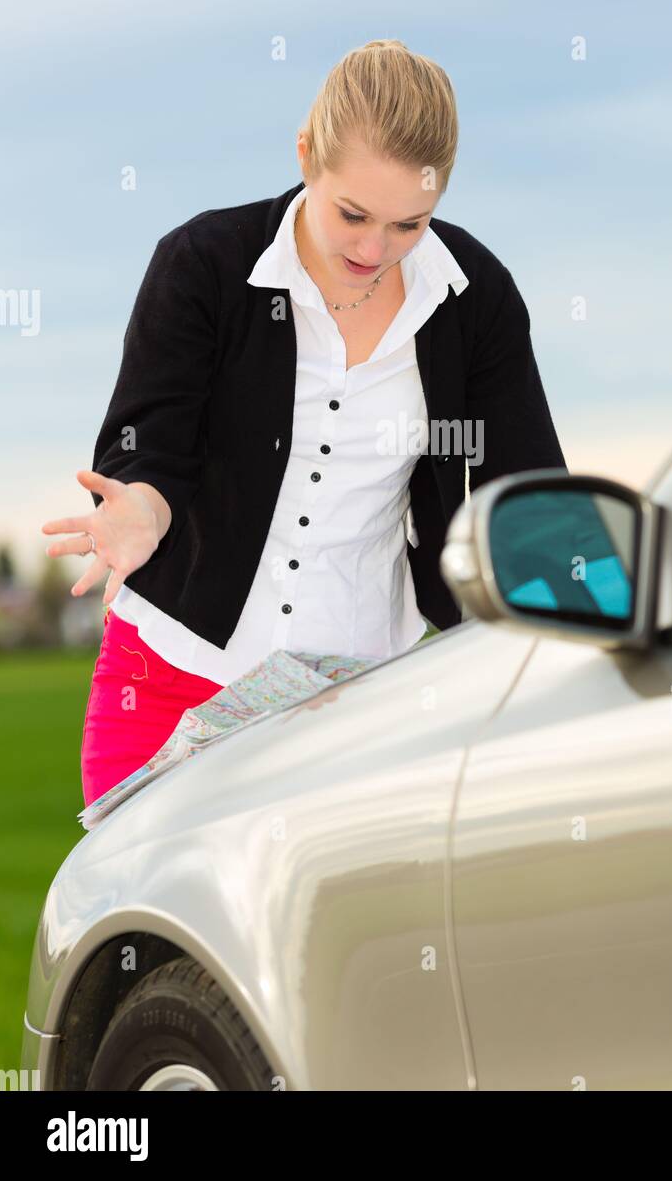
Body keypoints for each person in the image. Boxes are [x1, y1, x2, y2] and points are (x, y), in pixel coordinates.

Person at [41, 39, 567, 805]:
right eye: (352, 213)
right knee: (140, 924)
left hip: (363, 706)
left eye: (409, 225)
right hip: (167, 682)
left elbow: (524, 495)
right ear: (305, 156)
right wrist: (143, 514)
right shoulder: (205, 265)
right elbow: (150, 445)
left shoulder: (475, 298)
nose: (373, 248)